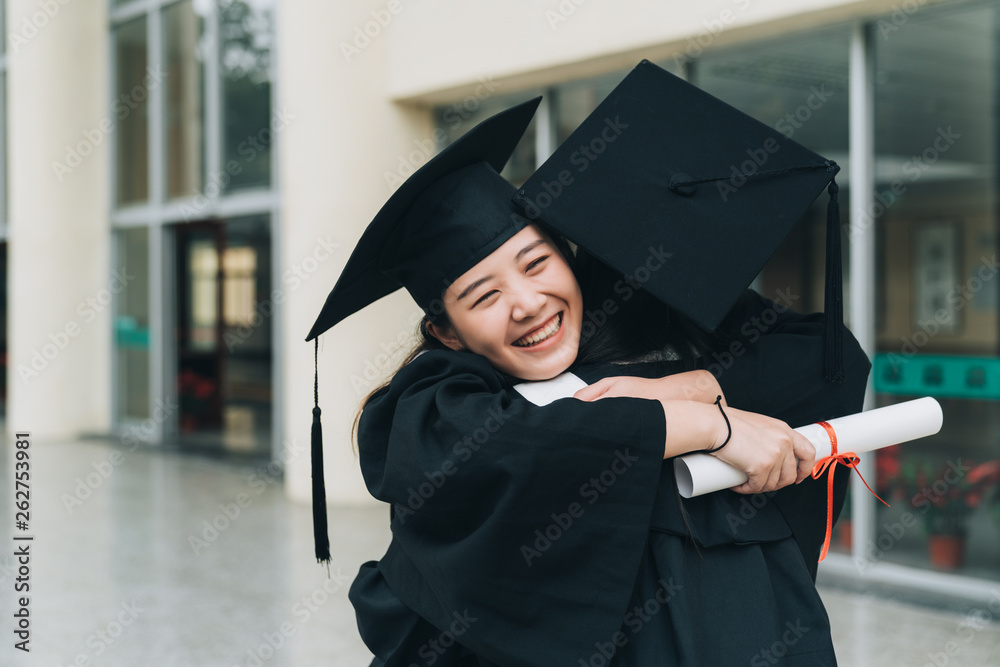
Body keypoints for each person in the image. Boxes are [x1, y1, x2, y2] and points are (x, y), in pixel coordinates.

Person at [306, 64, 869, 666]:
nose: (527, 304)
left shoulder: (652, 319)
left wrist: (699, 386)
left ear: (569, 257)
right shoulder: (436, 399)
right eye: (483, 296)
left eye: (535, 263)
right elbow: (503, 450)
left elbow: (825, 357)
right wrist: (701, 425)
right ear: (447, 330)